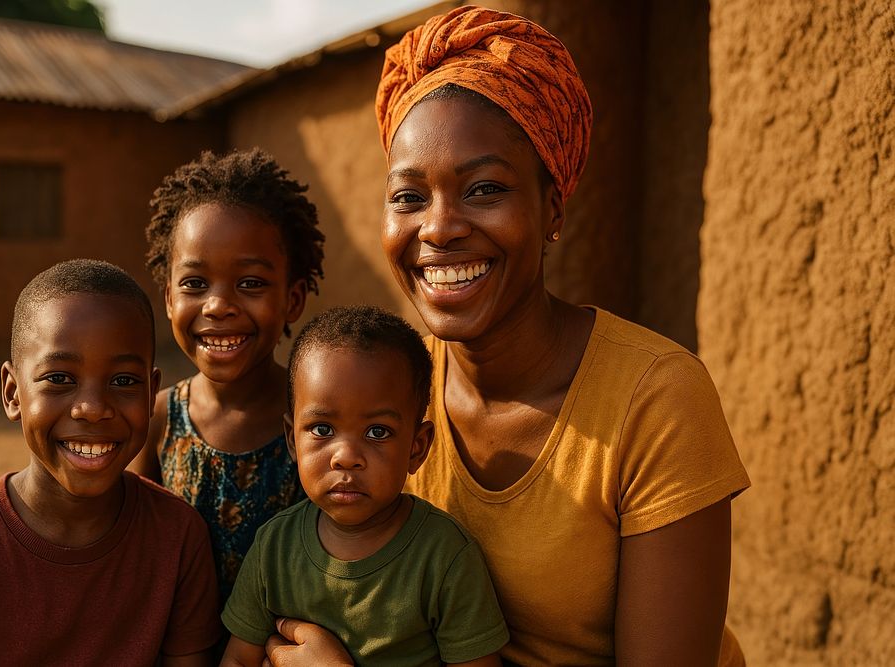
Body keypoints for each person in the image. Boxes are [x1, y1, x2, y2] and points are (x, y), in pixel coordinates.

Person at [263, 6, 752, 667]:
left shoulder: (653, 400)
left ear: (552, 207)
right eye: (409, 197)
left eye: (484, 188)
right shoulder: (391, 385)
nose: (439, 228)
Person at [0, 259, 222, 665]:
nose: (92, 408)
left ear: (151, 393)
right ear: (13, 393)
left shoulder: (178, 538)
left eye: (123, 381)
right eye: (59, 378)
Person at [219, 305, 508, 667]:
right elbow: (238, 660)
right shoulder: (273, 548)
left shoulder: (444, 558)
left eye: (378, 432)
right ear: (292, 441)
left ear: (416, 448)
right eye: (322, 429)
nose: (346, 457)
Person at [131, 148, 324, 604]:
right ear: (169, 300)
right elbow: (139, 552)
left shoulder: (318, 417)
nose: (218, 305)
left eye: (251, 283)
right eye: (195, 284)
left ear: (292, 299)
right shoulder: (158, 419)